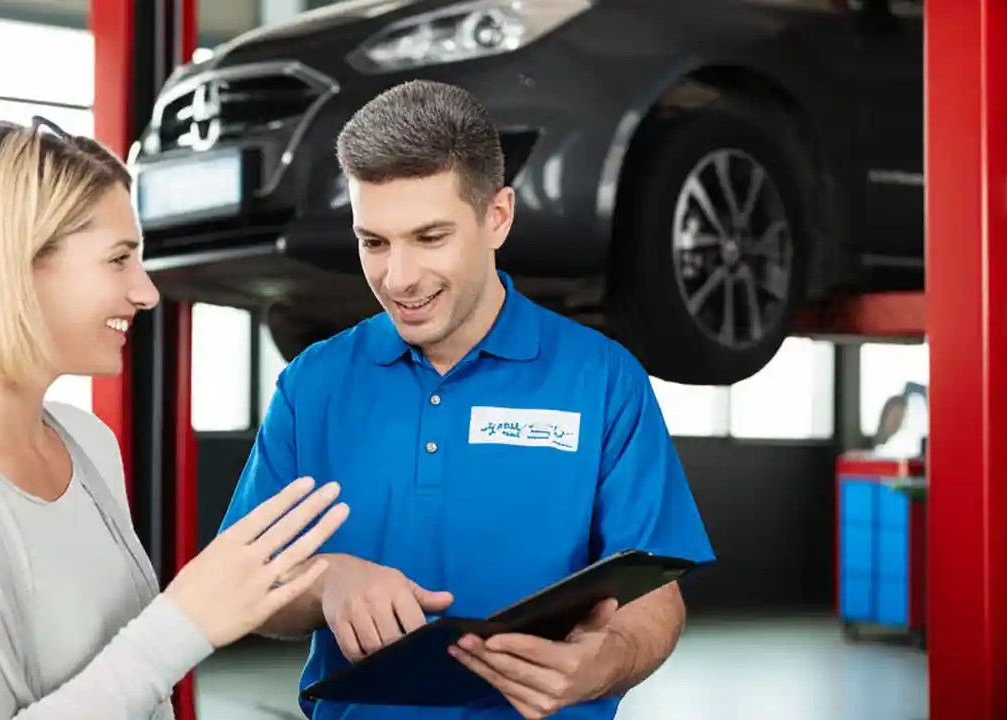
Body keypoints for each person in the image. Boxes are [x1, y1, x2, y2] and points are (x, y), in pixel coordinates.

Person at [218, 80, 715, 720]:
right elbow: (244, 582)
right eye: (374, 241)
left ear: (497, 217)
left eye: (429, 238)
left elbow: (654, 594)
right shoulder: (314, 383)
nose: (398, 278)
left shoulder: (603, 379)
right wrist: (327, 580)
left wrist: (603, 662)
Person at [0, 117, 349, 719]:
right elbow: (150, 653)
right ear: (18, 265)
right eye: (119, 259)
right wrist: (184, 621)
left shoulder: (87, 443)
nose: (147, 292)